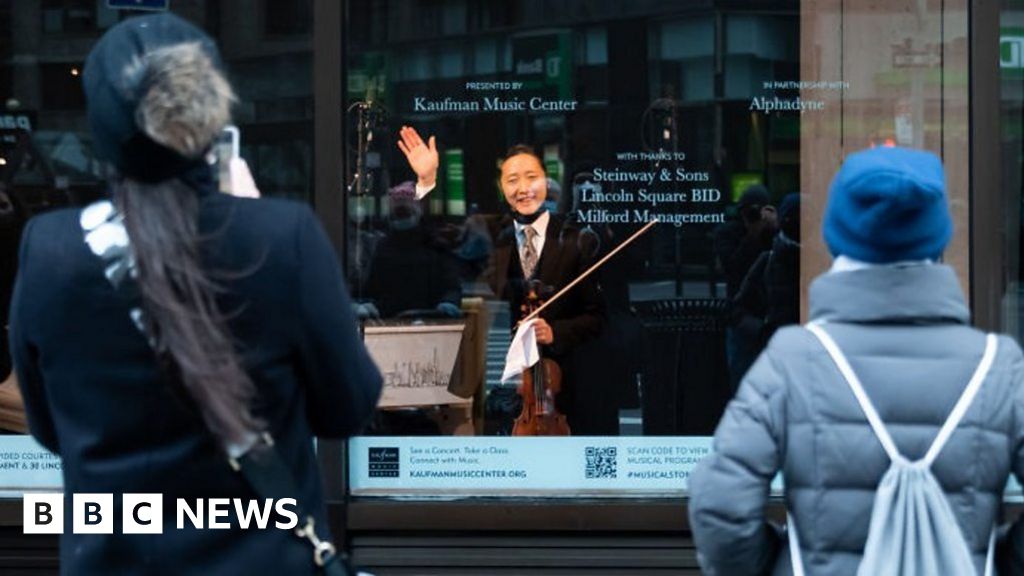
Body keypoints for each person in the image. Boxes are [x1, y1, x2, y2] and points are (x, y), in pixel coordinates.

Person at [8, 14, 382, 575]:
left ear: (104, 127)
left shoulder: (51, 248)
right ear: (211, 114)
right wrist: (248, 212)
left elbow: (49, 428)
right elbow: (346, 408)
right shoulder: (282, 236)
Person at [688, 147, 1024, 574]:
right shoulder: (999, 366)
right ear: (939, 236)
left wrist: (785, 564)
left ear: (837, 234)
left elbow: (719, 506)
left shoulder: (792, 361)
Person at [488, 145, 606, 434]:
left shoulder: (574, 241)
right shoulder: (498, 241)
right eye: (512, 180)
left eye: (531, 177)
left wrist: (556, 332)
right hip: (515, 386)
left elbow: (598, 318)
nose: (523, 188)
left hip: (567, 386)